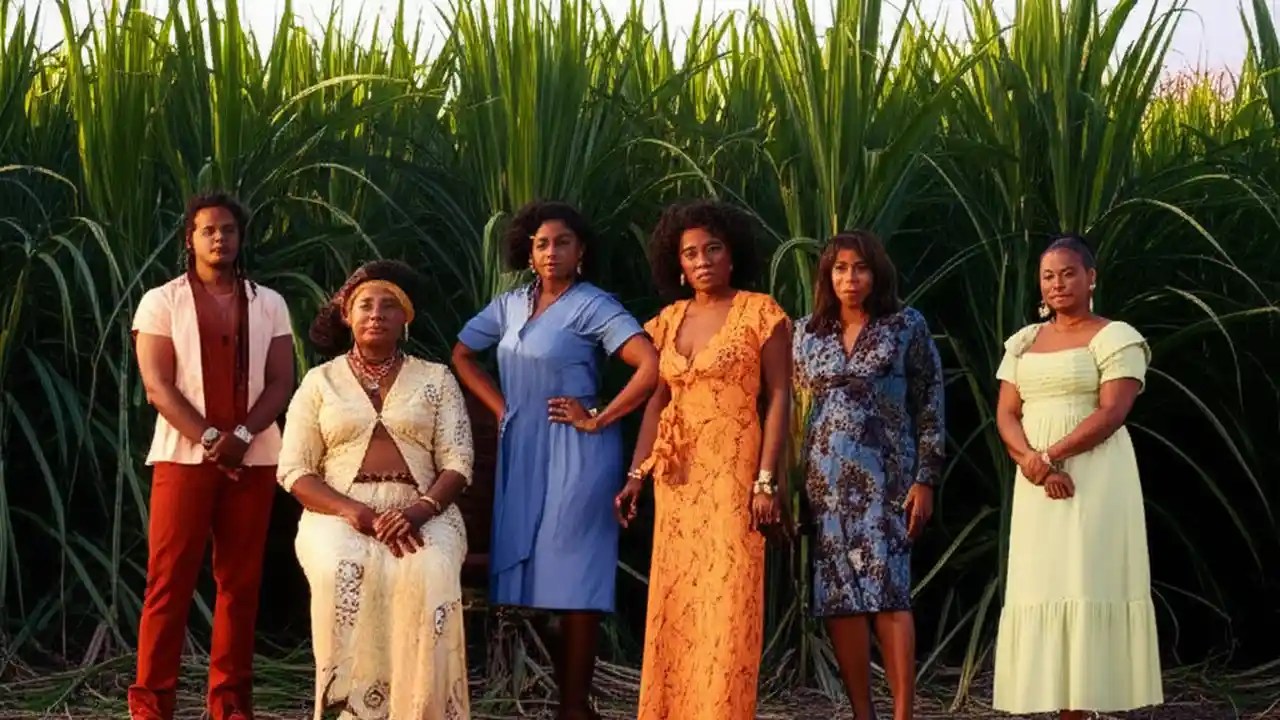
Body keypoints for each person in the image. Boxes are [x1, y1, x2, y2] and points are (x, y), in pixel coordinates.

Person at [451, 201, 658, 720]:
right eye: (540, 243)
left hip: (578, 451)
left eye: (562, 242)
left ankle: (573, 707)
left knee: (577, 579)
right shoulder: (510, 304)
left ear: (580, 250)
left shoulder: (594, 305)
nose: (550, 252)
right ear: (527, 250)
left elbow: (650, 365)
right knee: (533, 578)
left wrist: (600, 416)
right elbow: (461, 354)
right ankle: (573, 706)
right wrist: (502, 408)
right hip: (523, 448)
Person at [276, 260, 474, 720]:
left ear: (406, 319)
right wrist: (356, 514)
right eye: (365, 305)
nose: (376, 314)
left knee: (431, 569)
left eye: (390, 306)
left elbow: (459, 461)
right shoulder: (319, 382)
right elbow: (294, 471)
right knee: (343, 569)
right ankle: (352, 714)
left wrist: (420, 510)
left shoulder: (437, 378)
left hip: (425, 511)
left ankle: (422, 711)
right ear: (347, 315)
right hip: (338, 515)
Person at [617, 199, 791, 720]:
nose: (702, 260)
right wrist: (635, 476)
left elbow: (780, 396)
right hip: (678, 480)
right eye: (690, 253)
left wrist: (766, 481)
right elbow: (656, 400)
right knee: (677, 599)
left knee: (730, 600)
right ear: (678, 264)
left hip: (735, 474)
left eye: (712, 249)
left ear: (731, 255)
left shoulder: (761, 312)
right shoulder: (667, 322)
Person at [129, 192, 296, 720]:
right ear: (190, 239)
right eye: (208, 230)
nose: (220, 238)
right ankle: (151, 706)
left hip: (256, 457)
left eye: (228, 229)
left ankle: (230, 707)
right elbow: (157, 386)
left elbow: (281, 381)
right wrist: (209, 439)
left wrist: (243, 435)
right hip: (183, 459)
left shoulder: (269, 302)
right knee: (168, 583)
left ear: (240, 238)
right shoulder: (162, 301)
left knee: (240, 583)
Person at [991, 235, 1163, 719]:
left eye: (1069, 273)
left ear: (1091, 277)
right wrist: (1033, 462)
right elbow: (1006, 413)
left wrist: (1051, 456)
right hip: (1036, 482)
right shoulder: (1024, 342)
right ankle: (1059, 705)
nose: (1058, 283)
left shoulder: (1115, 337)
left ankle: (1083, 709)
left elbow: (1113, 411)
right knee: (1043, 584)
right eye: (1048, 276)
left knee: (1086, 577)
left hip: (1095, 478)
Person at [791, 231, 945, 720]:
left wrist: (927, 478)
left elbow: (930, 401)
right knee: (841, 602)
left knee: (890, 594)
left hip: (888, 481)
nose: (849, 278)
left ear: (876, 273)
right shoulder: (806, 333)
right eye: (839, 268)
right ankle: (863, 714)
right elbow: (792, 411)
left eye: (859, 268)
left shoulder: (904, 325)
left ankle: (903, 714)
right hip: (825, 485)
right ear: (826, 276)